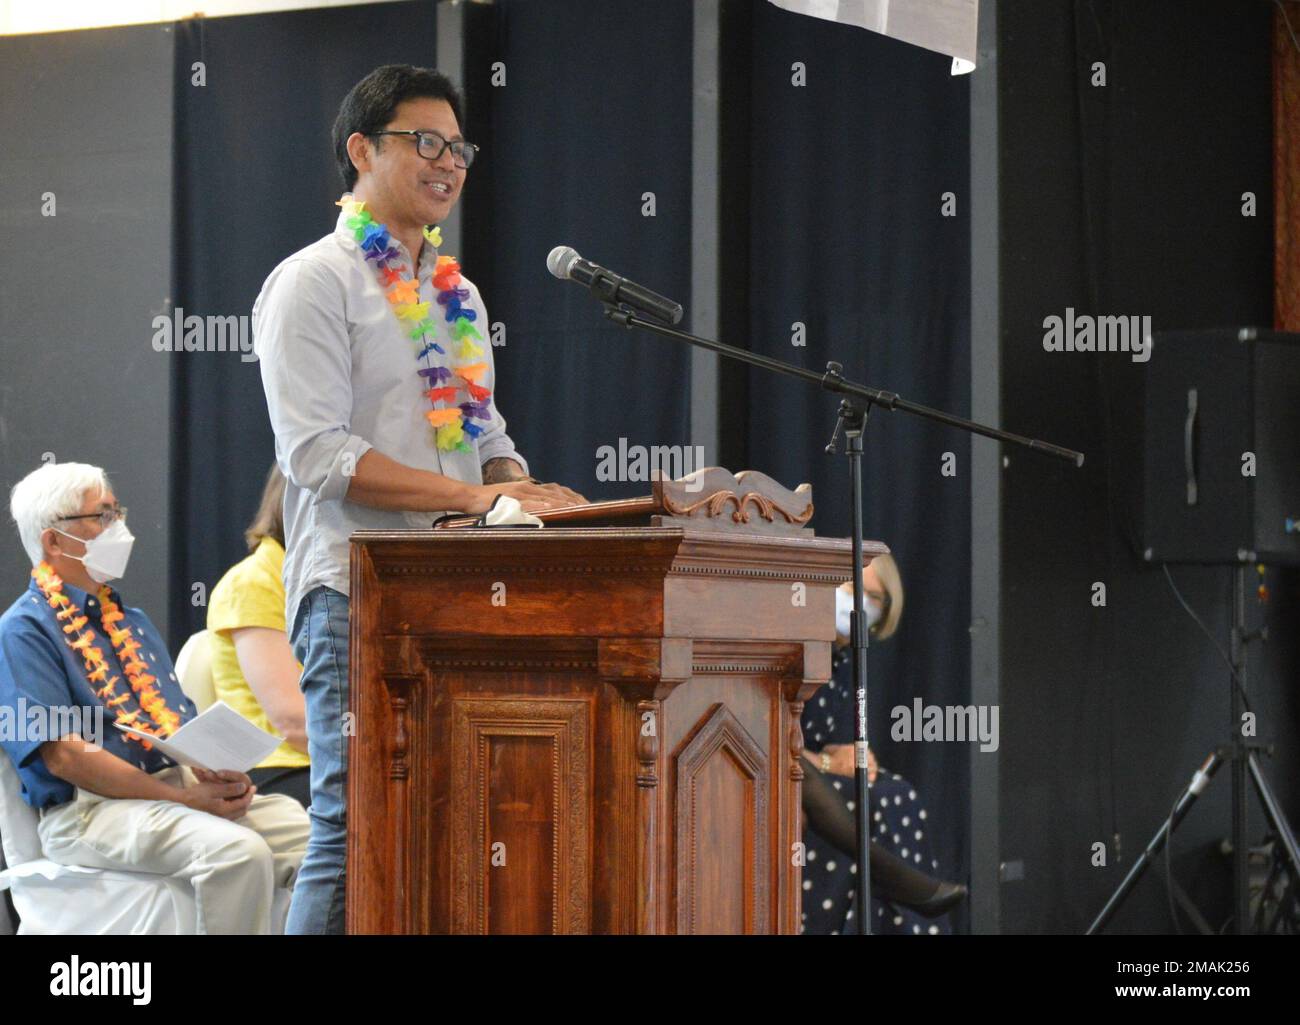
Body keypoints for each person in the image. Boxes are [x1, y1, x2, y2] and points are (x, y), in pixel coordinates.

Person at [254, 64, 586, 934]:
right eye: (425, 141)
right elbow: (319, 453)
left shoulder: (456, 294)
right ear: (361, 150)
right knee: (352, 822)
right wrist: (472, 502)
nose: (448, 162)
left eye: (459, 147)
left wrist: (524, 496)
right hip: (354, 593)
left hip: (462, 594)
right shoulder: (312, 282)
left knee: (452, 822)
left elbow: (488, 436)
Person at [0, 462, 309, 934]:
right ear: (54, 540)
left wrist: (219, 775)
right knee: (236, 853)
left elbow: (177, 727)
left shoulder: (133, 621)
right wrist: (178, 798)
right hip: (89, 812)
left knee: (315, 837)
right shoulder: (23, 630)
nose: (118, 526)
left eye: (116, 511)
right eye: (101, 516)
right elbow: (63, 755)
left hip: (171, 789)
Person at [800, 553, 964, 934]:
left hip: (811, 769)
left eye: (872, 597)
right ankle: (904, 890)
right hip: (785, 770)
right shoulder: (800, 644)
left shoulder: (843, 660)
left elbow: (832, 741)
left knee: (895, 792)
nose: (859, 602)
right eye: (852, 587)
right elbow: (770, 736)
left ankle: (902, 915)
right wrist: (826, 764)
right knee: (871, 800)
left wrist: (855, 755)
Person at [207, 464, 310, 808]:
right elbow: (294, 724)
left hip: (326, 759)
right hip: (274, 769)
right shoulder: (254, 582)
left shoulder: (330, 578)